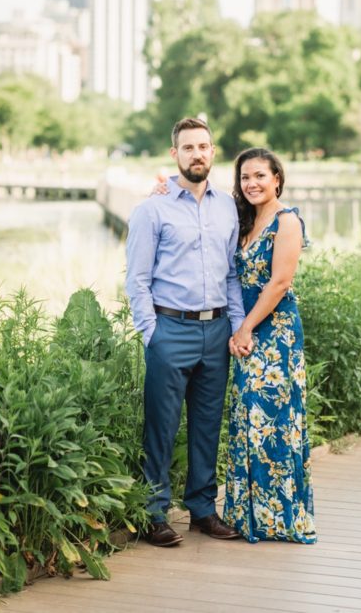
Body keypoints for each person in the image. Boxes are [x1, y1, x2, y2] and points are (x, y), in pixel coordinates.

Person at [125, 117, 245, 546]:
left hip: (217, 331)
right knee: (161, 425)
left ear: (213, 153)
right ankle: (154, 512)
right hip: (169, 330)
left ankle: (201, 509)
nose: (197, 153)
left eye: (204, 146)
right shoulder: (151, 208)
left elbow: (232, 274)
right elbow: (136, 278)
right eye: (189, 147)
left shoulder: (227, 206)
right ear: (174, 154)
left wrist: (234, 323)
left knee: (208, 424)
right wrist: (150, 333)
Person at [220, 147, 317, 543]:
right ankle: (247, 517)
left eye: (260, 175)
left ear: (277, 178)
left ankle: (279, 518)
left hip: (274, 334)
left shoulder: (286, 221)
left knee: (274, 422)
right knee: (247, 419)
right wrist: (162, 188)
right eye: (245, 177)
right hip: (245, 331)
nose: (252, 183)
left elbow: (279, 283)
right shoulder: (243, 218)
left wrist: (245, 329)